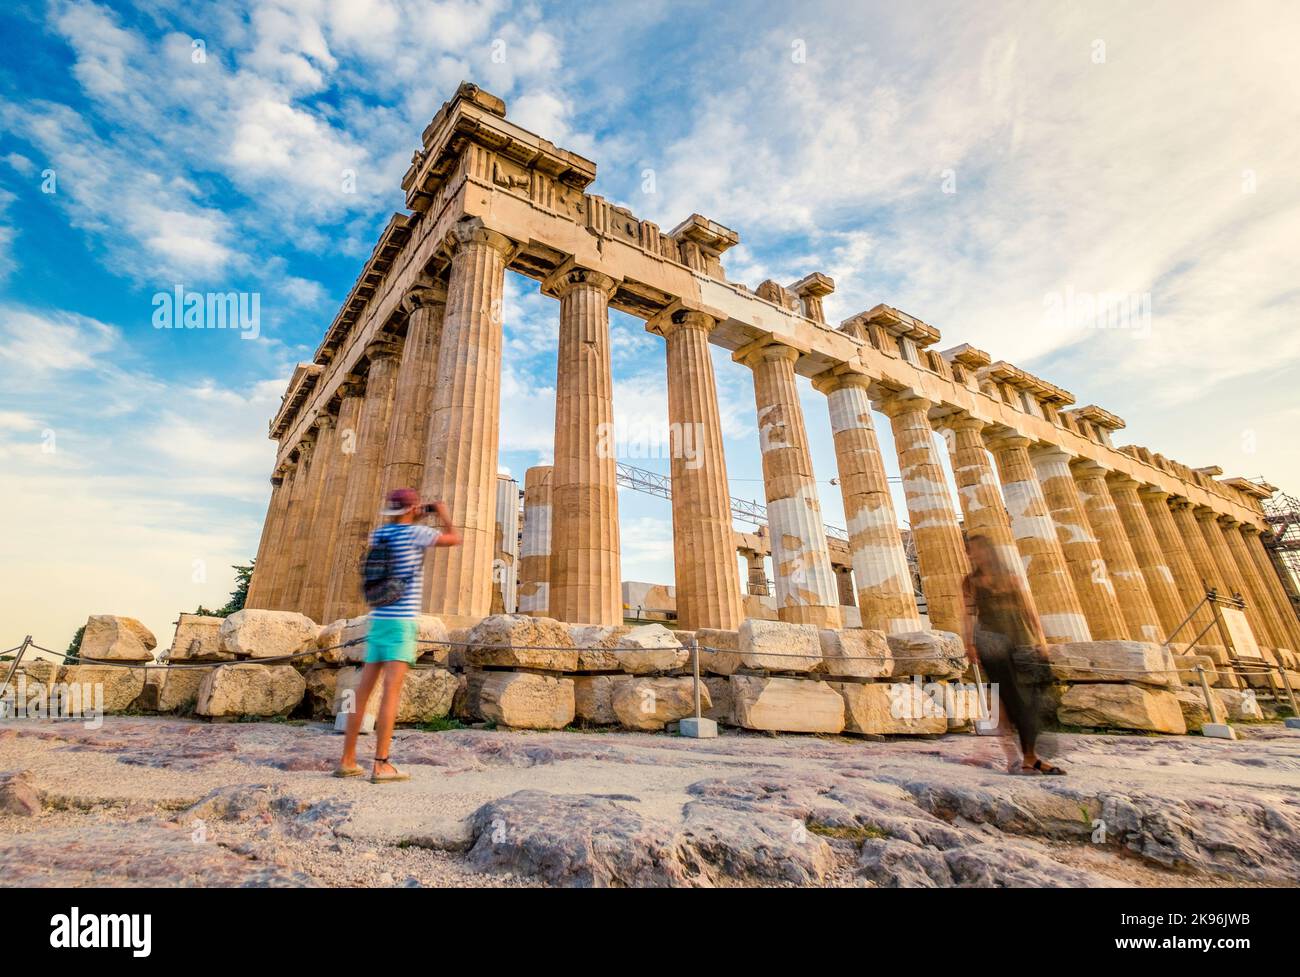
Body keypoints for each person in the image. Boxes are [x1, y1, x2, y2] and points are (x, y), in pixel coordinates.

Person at [335, 488, 460, 784]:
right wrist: (441, 513)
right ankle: (381, 764)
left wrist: (411, 514)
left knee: (362, 694)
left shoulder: (381, 535)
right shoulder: (416, 534)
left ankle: (348, 759)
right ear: (413, 507)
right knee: (390, 694)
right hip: (401, 622)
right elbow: (454, 538)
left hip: (377, 620)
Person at [961, 533, 1065, 775]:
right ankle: (1014, 756)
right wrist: (969, 643)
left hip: (1020, 639)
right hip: (990, 642)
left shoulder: (1011, 578)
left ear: (989, 551)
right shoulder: (971, 582)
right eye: (969, 550)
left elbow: (1028, 608)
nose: (971, 554)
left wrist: (1041, 640)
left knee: (1030, 699)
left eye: (975, 549)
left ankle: (1031, 755)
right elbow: (967, 613)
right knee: (1004, 698)